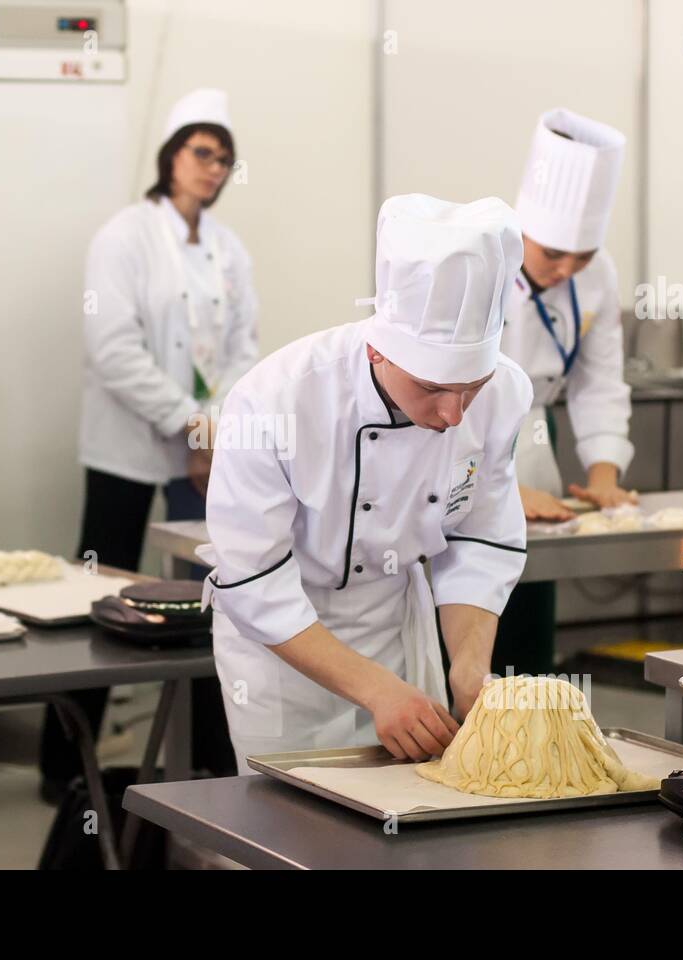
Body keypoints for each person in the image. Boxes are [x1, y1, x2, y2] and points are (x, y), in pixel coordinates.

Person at [204, 194, 533, 769]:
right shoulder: (274, 400)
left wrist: (471, 669)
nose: (454, 414)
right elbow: (253, 579)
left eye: (471, 387)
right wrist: (377, 691)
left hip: (394, 627)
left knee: (407, 836)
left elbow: (479, 538)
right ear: (378, 349)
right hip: (284, 651)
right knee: (292, 836)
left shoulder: (504, 391)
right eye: (432, 389)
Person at [39, 88, 259, 798]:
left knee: (204, 607)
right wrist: (192, 423)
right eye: (201, 152)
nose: (213, 168)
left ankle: (198, 761)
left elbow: (244, 351)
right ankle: (65, 763)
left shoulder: (229, 251)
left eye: (223, 158)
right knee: (98, 603)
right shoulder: (125, 236)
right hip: (127, 454)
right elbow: (113, 350)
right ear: (171, 156)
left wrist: (217, 428)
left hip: (207, 461)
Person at [495, 108, 634, 675]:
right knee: (469, 607)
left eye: (580, 257)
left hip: (535, 437)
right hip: (456, 440)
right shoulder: (479, 260)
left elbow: (600, 379)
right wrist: (498, 491)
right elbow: (440, 396)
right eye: (553, 254)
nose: (566, 269)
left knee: (529, 610)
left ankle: (527, 738)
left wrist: (604, 473)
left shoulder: (598, 274)